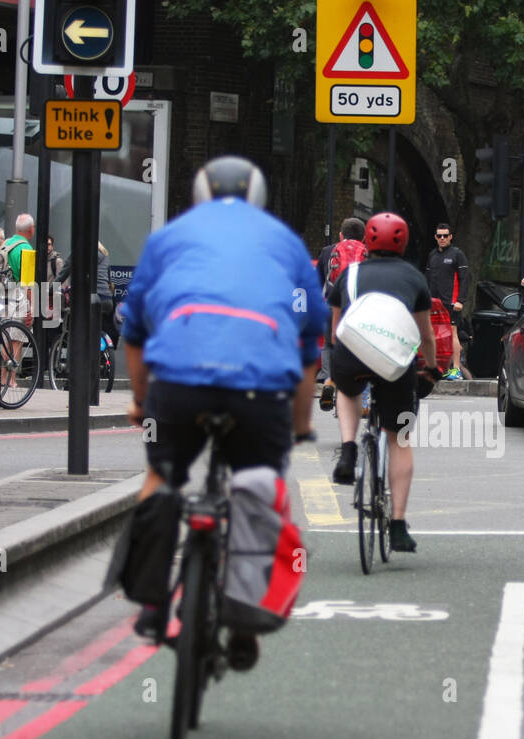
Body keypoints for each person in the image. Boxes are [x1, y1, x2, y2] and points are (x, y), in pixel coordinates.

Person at [119, 156, 326, 666]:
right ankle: (246, 616)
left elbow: (135, 330)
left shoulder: (168, 238)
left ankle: (150, 602)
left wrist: (142, 402)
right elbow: (308, 346)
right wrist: (300, 425)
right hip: (259, 390)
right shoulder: (286, 243)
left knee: (161, 475)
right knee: (260, 490)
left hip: (178, 384)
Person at [329, 212, 440, 554]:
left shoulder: (349, 273)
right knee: (399, 439)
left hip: (351, 353)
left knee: (348, 388)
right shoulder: (414, 278)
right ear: (404, 243)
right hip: (394, 363)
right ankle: (397, 526)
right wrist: (433, 369)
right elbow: (425, 335)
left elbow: (335, 329)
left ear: (368, 243)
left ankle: (348, 449)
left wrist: (339, 362)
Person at [316, 217, 367, 404]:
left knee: (329, 345)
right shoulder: (368, 253)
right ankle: (358, 391)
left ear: (340, 235)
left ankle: (329, 380)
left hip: (331, 305)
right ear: (363, 238)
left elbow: (318, 283)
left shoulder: (328, 251)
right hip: (358, 307)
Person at [425, 222, 470, 380]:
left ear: (451, 237)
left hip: (452, 302)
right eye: (439, 236)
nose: (442, 238)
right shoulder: (432, 255)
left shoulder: (457, 254)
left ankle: (456, 369)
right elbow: (428, 279)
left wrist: (460, 300)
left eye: (445, 235)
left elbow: (465, 278)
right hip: (434, 302)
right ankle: (438, 367)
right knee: (434, 333)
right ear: (435, 237)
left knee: (452, 333)